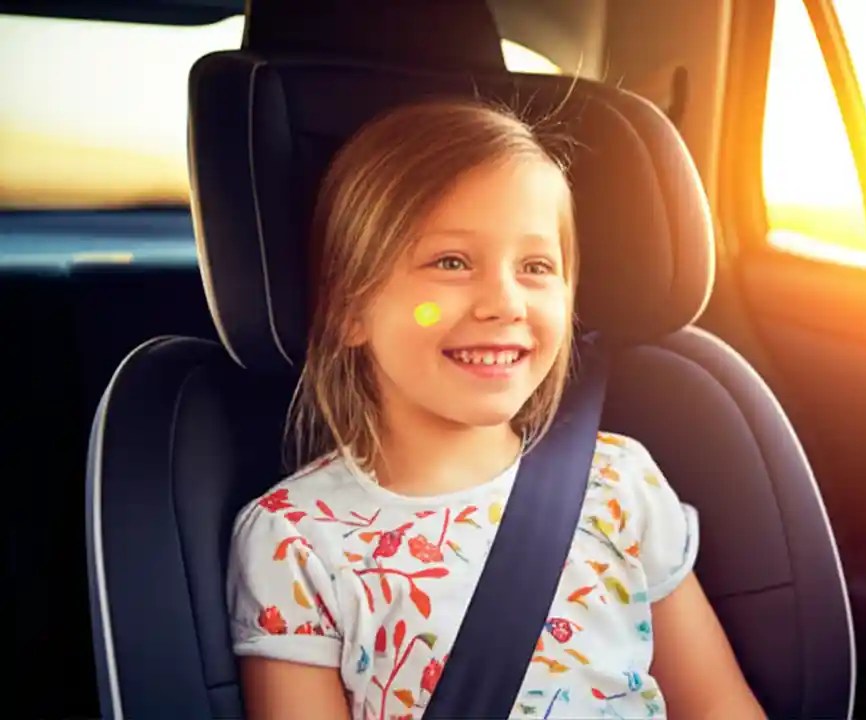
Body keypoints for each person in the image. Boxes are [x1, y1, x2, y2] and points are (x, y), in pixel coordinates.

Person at [225, 99, 763, 720]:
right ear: (351, 308)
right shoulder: (297, 541)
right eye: (451, 262)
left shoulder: (617, 484)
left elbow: (720, 707)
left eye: (536, 266)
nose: (504, 303)